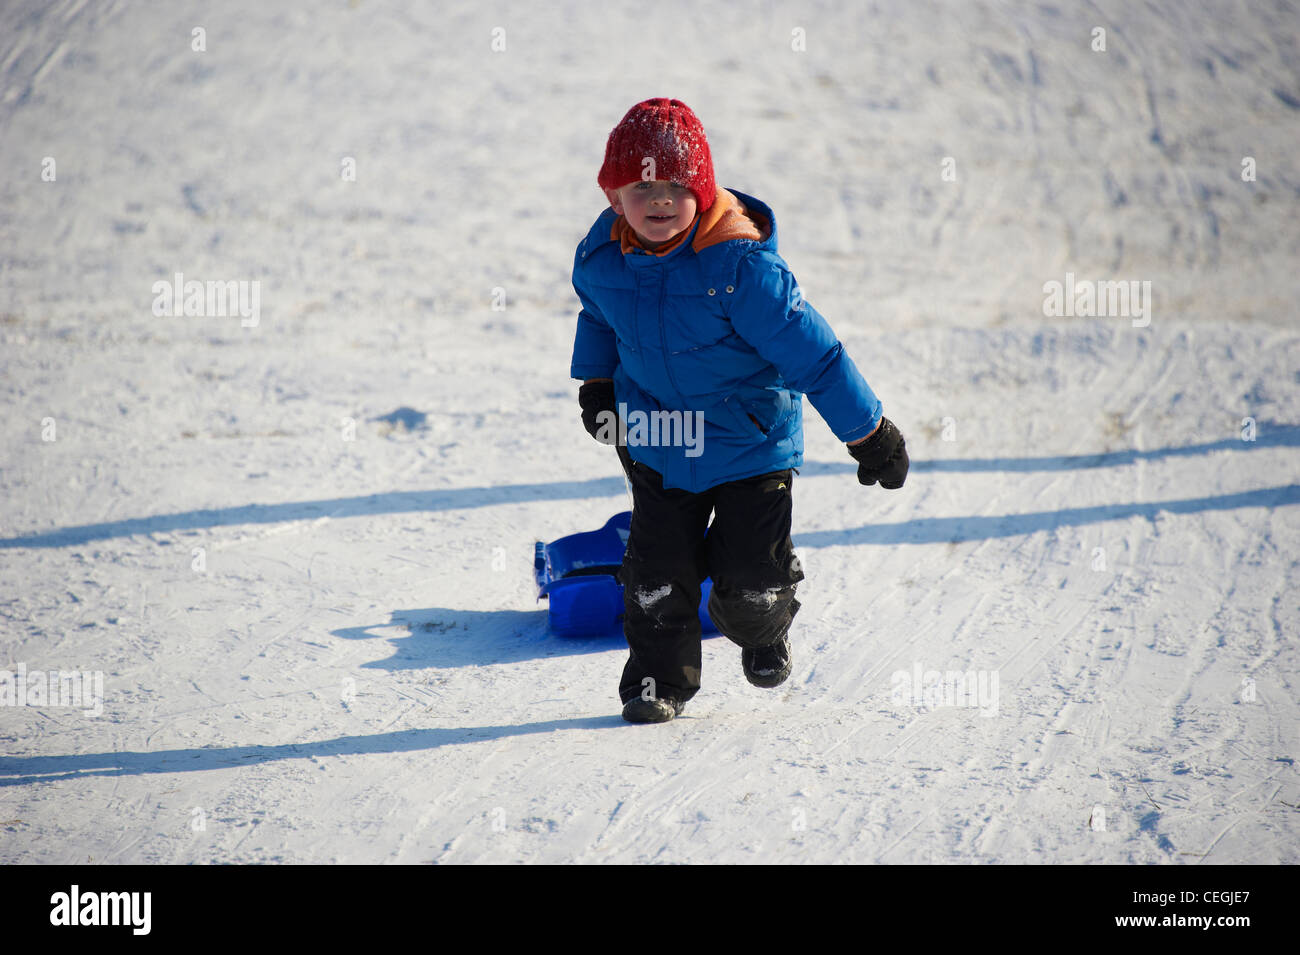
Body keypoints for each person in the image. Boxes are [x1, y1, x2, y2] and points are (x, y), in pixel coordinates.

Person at [570, 98, 908, 724]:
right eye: (643, 186)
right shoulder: (603, 260)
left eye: (677, 185)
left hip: (750, 444)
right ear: (616, 198)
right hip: (658, 440)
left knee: (750, 584)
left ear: (703, 190)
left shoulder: (741, 268)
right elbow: (599, 318)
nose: (661, 199)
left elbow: (817, 357)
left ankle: (764, 623)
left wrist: (869, 433)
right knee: (655, 581)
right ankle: (656, 684)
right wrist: (597, 384)